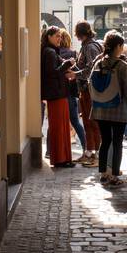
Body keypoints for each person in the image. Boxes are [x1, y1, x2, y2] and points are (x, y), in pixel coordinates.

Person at [89, 30, 127, 186]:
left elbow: (91, 85)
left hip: (100, 109)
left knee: (105, 141)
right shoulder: (122, 66)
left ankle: (103, 173)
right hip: (119, 110)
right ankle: (115, 175)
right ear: (119, 46)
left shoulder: (98, 63)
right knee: (117, 142)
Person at [39, 26, 76, 168]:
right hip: (56, 94)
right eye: (56, 36)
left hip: (58, 93)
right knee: (59, 128)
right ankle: (60, 159)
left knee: (61, 127)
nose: (59, 38)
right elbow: (52, 73)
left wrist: (66, 69)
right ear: (49, 36)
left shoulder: (51, 51)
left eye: (60, 36)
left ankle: (63, 158)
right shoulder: (49, 52)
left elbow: (57, 71)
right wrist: (67, 63)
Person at [73, 22, 103, 167]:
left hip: (90, 90)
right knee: (86, 121)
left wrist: (75, 73)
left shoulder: (90, 46)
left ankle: (97, 155)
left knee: (93, 122)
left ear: (79, 33)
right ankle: (89, 152)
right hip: (85, 89)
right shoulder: (86, 45)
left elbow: (92, 68)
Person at [58, 29, 87, 157]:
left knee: (57, 121)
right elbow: (78, 71)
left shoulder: (56, 53)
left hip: (59, 92)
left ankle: (50, 150)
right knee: (75, 121)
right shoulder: (73, 53)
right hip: (70, 92)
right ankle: (86, 147)